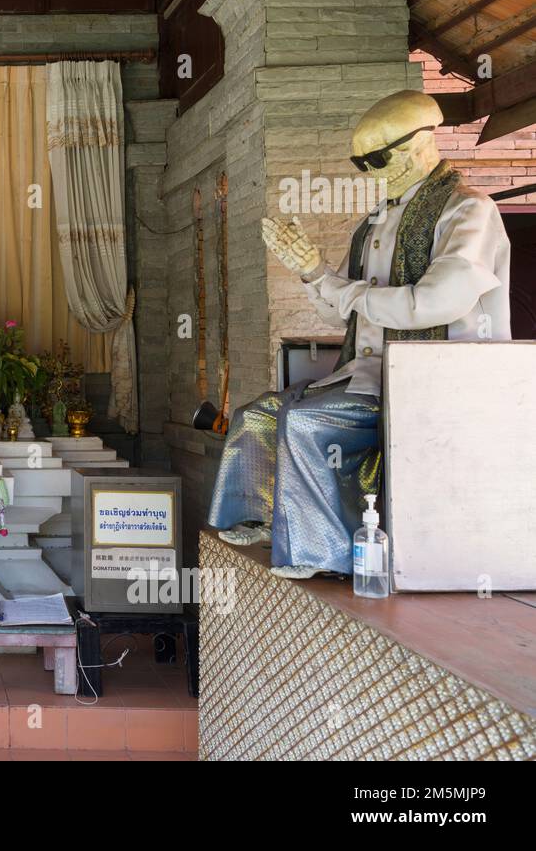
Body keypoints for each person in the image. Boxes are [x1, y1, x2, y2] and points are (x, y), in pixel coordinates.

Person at [209, 90, 511, 577]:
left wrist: (336, 285)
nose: (369, 171)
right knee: (256, 415)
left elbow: (430, 304)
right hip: (363, 376)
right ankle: (272, 517)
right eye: (360, 161)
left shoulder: (467, 211)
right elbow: (342, 318)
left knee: (307, 423)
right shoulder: (374, 223)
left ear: (419, 145)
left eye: (377, 158)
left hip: (426, 382)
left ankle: (320, 550)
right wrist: (312, 273)